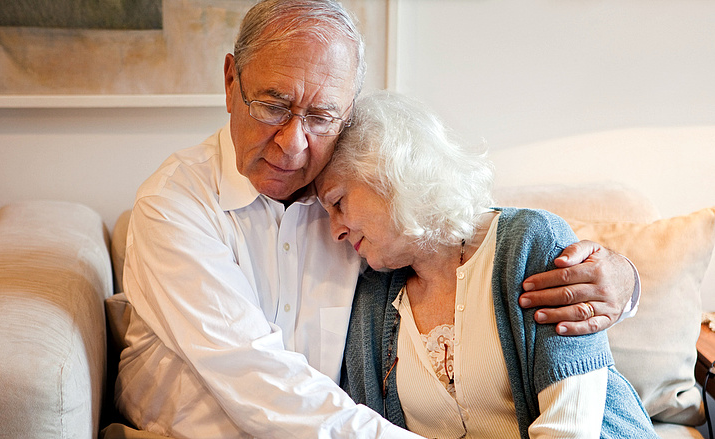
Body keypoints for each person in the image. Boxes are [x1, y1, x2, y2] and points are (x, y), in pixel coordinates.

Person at [115, 1, 640, 437]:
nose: (293, 143)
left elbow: (478, 232)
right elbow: (256, 378)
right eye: (273, 106)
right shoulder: (175, 202)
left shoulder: (374, 219)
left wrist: (623, 280)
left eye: (320, 118)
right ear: (231, 82)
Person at [317, 90, 657, 438]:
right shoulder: (371, 295)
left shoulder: (531, 242)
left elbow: (569, 429)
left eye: (338, 203)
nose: (335, 231)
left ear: (387, 173)